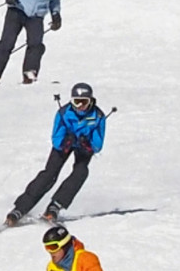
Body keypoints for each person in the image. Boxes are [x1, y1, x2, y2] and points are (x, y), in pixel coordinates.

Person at [6, 82, 109, 227]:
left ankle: (56, 205)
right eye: (76, 101)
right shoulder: (63, 113)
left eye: (84, 102)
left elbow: (98, 144)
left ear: (91, 101)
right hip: (64, 146)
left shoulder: (98, 116)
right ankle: (20, 208)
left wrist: (87, 144)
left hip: (83, 148)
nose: (80, 106)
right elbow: (56, 139)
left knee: (81, 172)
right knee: (49, 175)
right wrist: (66, 141)